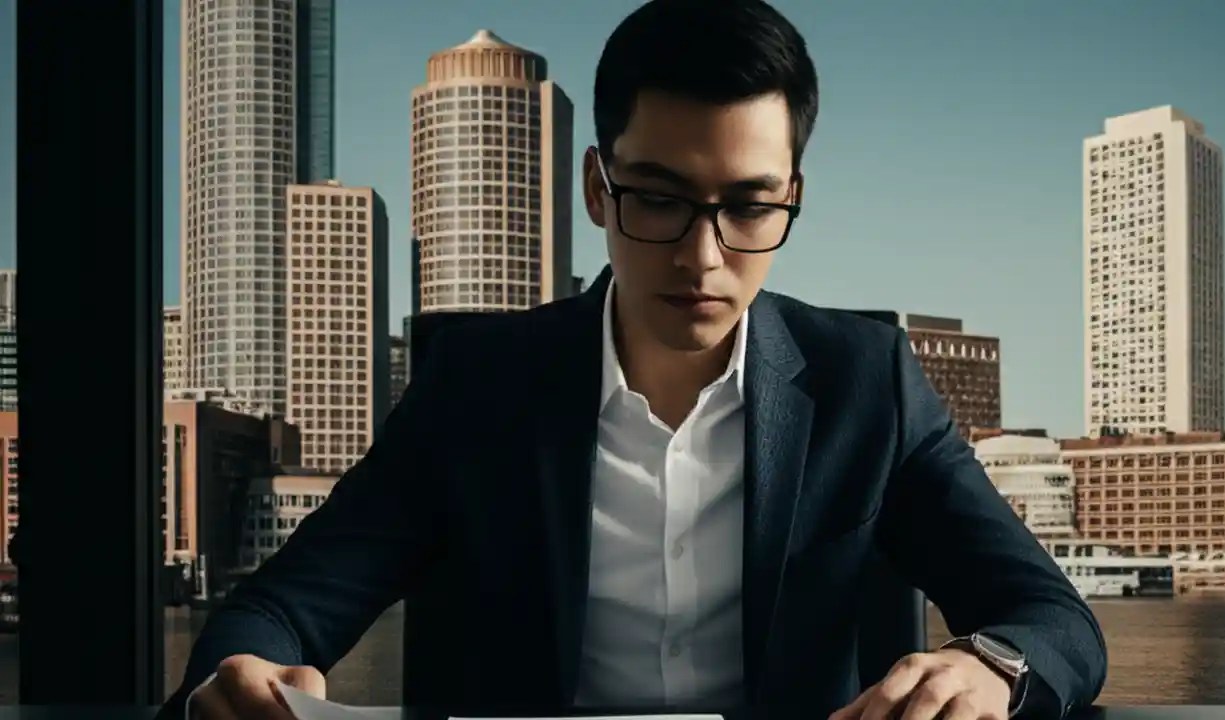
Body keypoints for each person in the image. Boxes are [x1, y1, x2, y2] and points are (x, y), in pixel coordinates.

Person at [168, 1, 1107, 718]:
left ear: (794, 197)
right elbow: (283, 611)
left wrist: (990, 668)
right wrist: (236, 673)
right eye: (656, 199)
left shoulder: (871, 382)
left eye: (748, 206)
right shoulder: (476, 387)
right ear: (594, 186)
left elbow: (1053, 621)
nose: (703, 257)